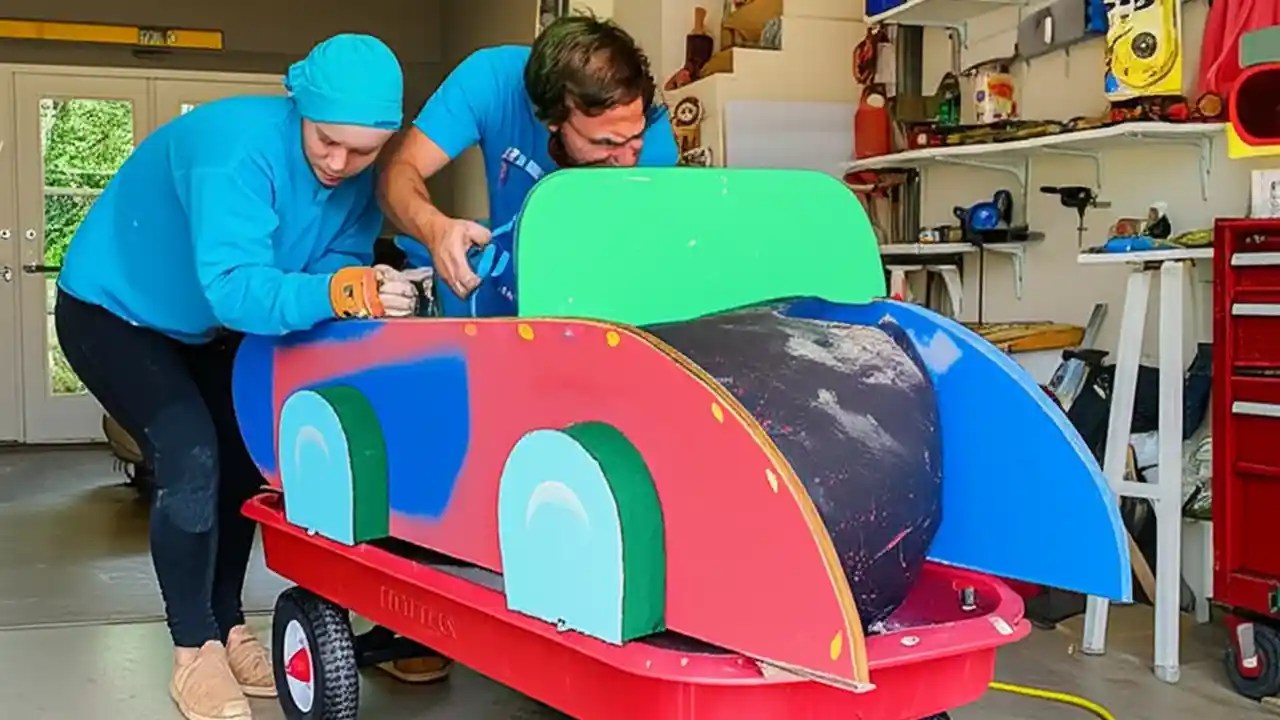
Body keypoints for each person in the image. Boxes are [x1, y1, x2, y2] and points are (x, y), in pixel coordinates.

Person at [53, 34, 420, 720]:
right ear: (298, 107)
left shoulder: (357, 182)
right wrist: (345, 291)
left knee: (247, 457)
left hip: (201, 328)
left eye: (364, 150)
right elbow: (235, 289)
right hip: (111, 310)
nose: (341, 164)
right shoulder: (235, 151)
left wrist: (371, 286)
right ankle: (193, 652)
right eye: (326, 142)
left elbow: (329, 272)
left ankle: (228, 626)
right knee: (189, 453)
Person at [378, 14, 680, 303]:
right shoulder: (490, 80)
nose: (628, 160)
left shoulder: (657, 143)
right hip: (506, 300)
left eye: (636, 138)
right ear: (553, 120)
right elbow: (399, 172)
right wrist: (434, 229)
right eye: (606, 143)